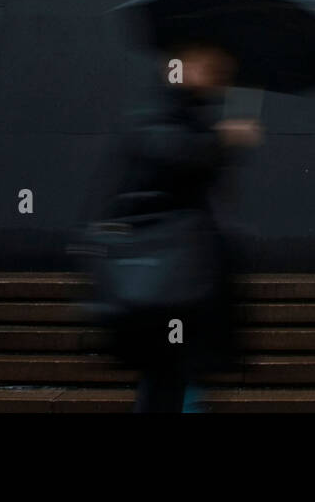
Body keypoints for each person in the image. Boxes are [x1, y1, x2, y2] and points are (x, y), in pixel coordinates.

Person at [107, 41, 261, 412]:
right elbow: (164, 153)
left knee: (173, 379)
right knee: (168, 380)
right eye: (208, 65)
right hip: (166, 278)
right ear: (179, 64)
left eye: (222, 70)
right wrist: (220, 140)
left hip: (181, 281)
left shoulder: (190, 114)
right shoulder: (163, 112)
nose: (217, 76)